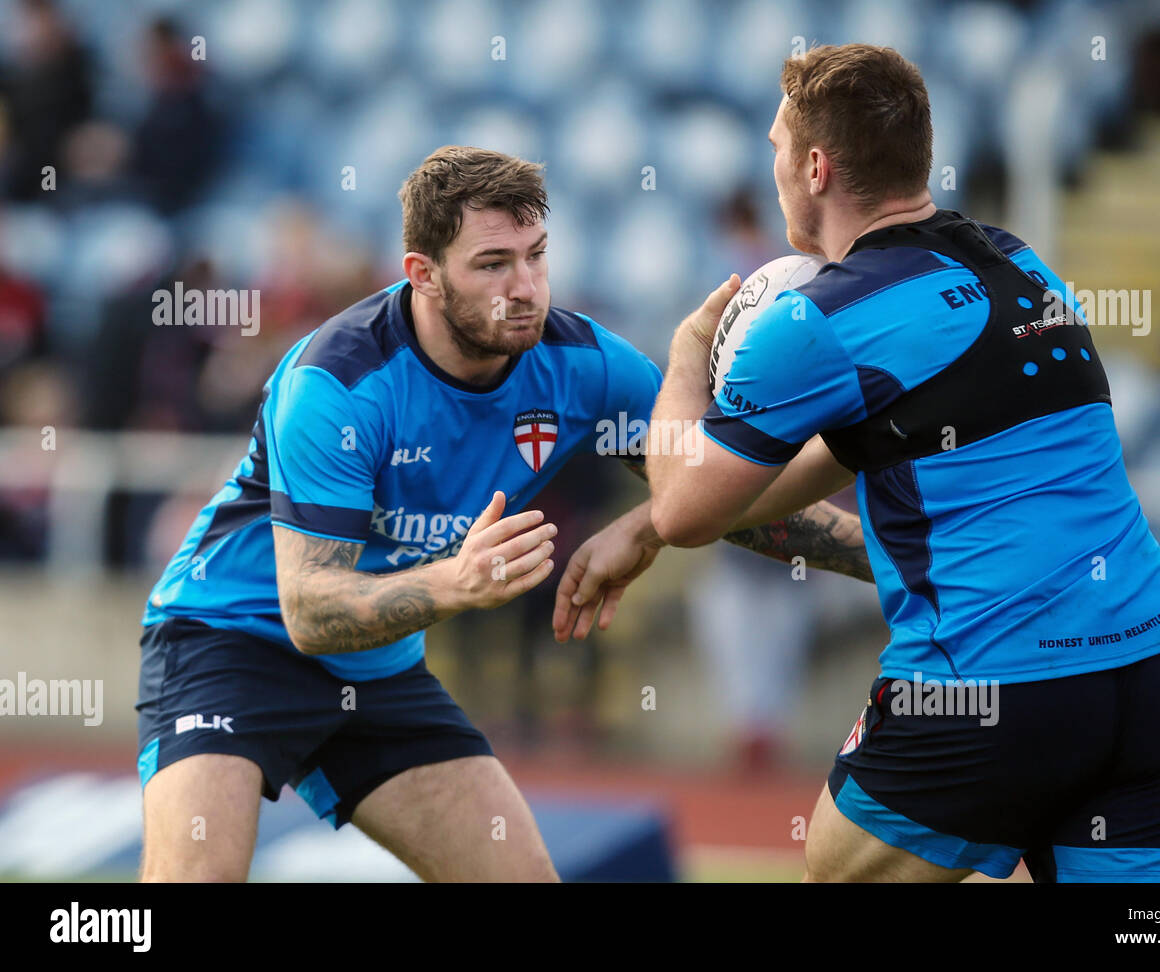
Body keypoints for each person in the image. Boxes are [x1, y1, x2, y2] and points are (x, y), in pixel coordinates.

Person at [135, 146, 871, 882]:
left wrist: (897, 553)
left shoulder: (587, 365)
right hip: (229, 644)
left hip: (378, 669)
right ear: (422, 274)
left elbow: (721, 499)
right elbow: (309, 612)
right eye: (492, 264)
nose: (525, 288)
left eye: (536, 256)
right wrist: (456, 582)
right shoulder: (338, 384)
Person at [646, 44, 1160, 884]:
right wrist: (635, 537)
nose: (769, 170)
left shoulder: (819, 319)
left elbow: (683, 509)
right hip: (1154, 671)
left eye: (773, 149)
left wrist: (690, 353)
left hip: (992, 683)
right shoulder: (1020, 262)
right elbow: (856, 454)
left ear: (814, 166)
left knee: (835, 867)